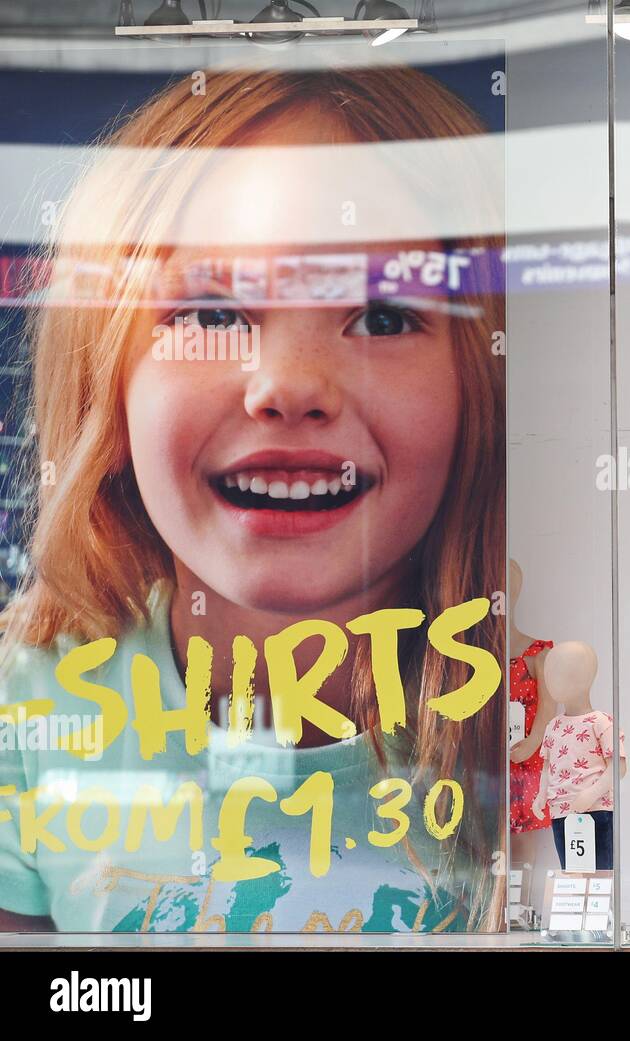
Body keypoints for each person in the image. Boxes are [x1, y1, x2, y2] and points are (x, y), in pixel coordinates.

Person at [0, 67, 505, 933]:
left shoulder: (529, 703)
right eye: (211, 310)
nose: (287, 386)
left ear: (484, 386)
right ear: (107, 382)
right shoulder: (27, 706)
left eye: (384, 315)